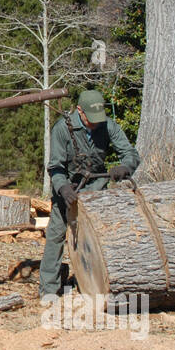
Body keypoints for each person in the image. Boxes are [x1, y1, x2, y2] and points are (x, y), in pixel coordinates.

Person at [38, 89, 140, 298]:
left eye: (98, 118)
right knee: (56, 236)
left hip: (97, 191)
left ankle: (106, 285)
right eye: (90, 119)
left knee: (104, 238)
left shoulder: (108, 125)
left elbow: (130, 153)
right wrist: (63, 188)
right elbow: (55, 167)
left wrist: (125, 167)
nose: (95, 123)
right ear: (79, 111)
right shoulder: (62, 129)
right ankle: (48, 290)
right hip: (68, 191)